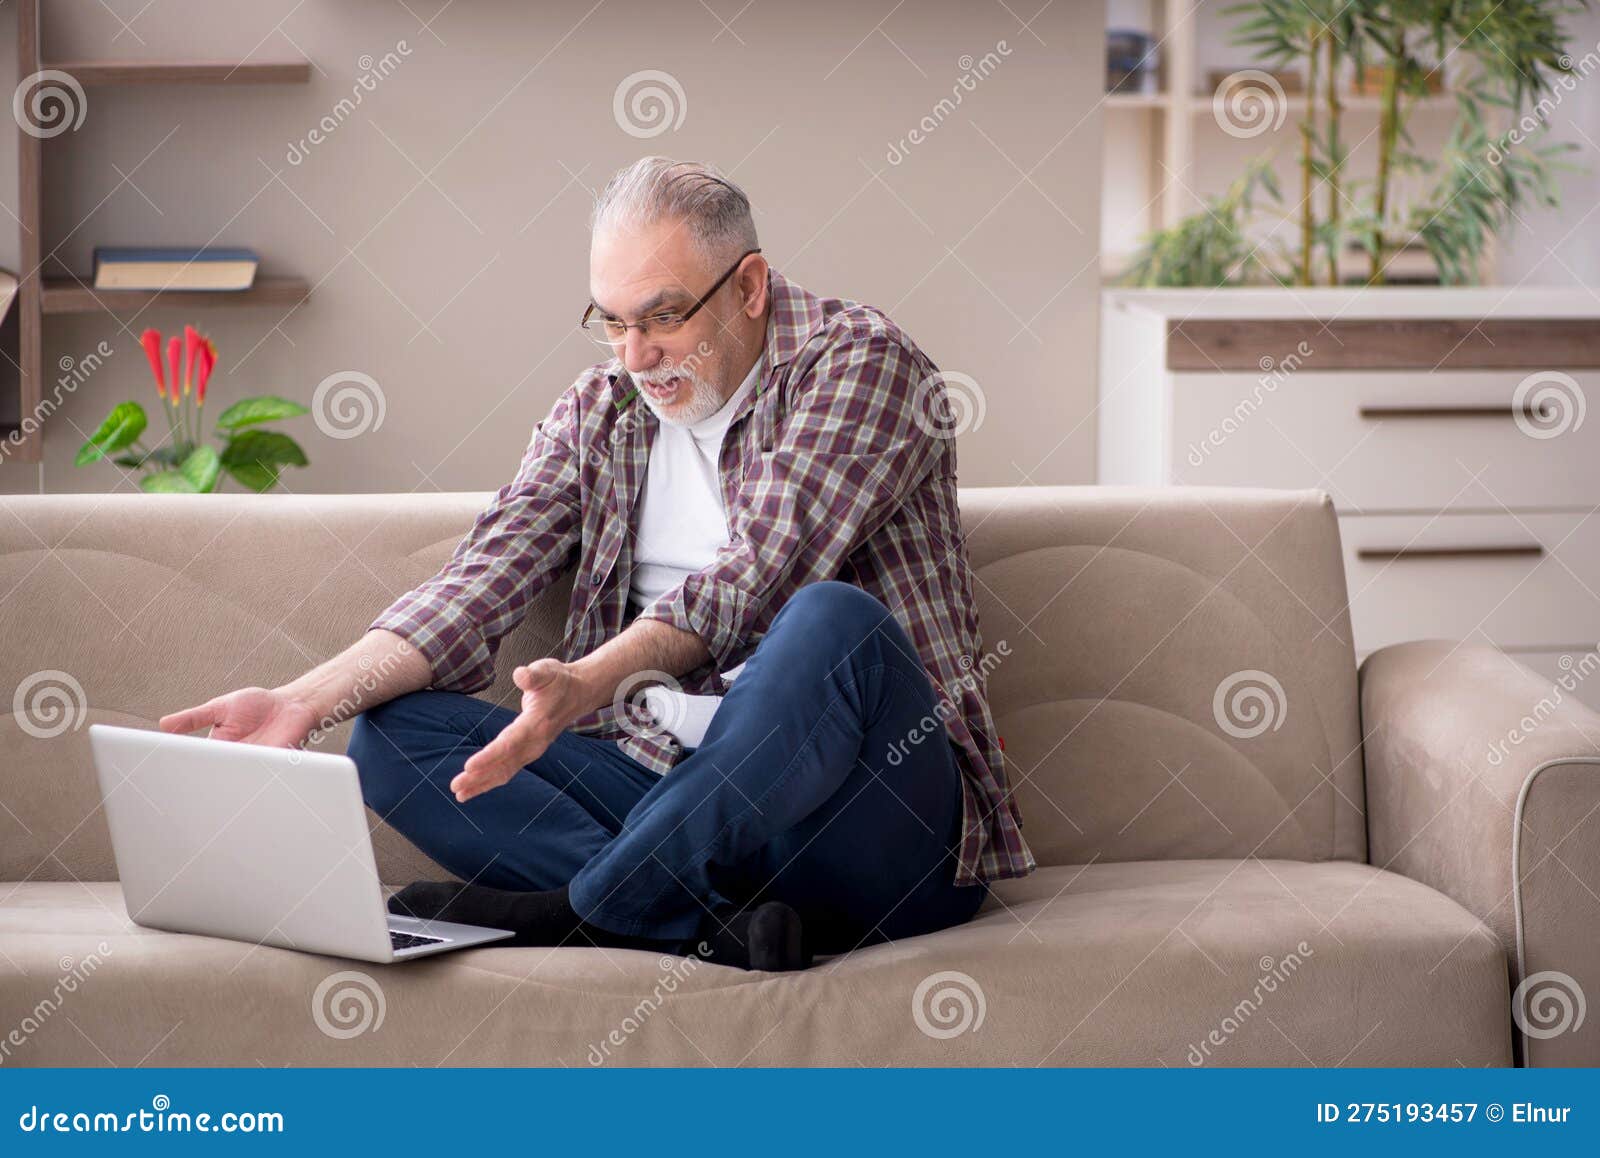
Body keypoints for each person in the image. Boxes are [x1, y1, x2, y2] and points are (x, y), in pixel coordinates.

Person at [160, 157, 1034, 972]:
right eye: (611, 322)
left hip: (858, 817)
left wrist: (586, 684)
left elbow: (756, 572)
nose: (635, 355)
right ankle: (694, 921)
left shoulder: (862, 364)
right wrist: (304, 699)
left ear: (752, 287)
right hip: (673, 802)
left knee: (830, 622)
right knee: (389, 736)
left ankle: (580, 909)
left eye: (662, 317)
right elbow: (484, 572)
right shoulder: (601, 410)